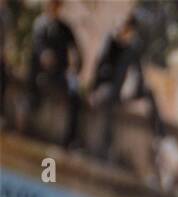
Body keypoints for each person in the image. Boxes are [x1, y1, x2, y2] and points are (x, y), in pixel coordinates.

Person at [88, 6, 161, 160]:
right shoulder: (111, 43)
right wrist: (93, 90)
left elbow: (138, 73)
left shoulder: (133, 48)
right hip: (109, 88)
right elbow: (99, 67)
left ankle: (159, 136)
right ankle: (105, 147)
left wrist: (136, 88)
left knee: (149, 92)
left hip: (126, 90)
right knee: (109, 101)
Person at [23, 0, 82, 147]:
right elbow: (38, 46)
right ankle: (30, 111)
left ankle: (70, 138)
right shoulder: (40, 24)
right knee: (33, 81)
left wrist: (76, 65)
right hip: (41, 73)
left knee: (74, 94)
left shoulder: (64, 27)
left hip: (60, 74)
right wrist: (44, 55)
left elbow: (77, 50)